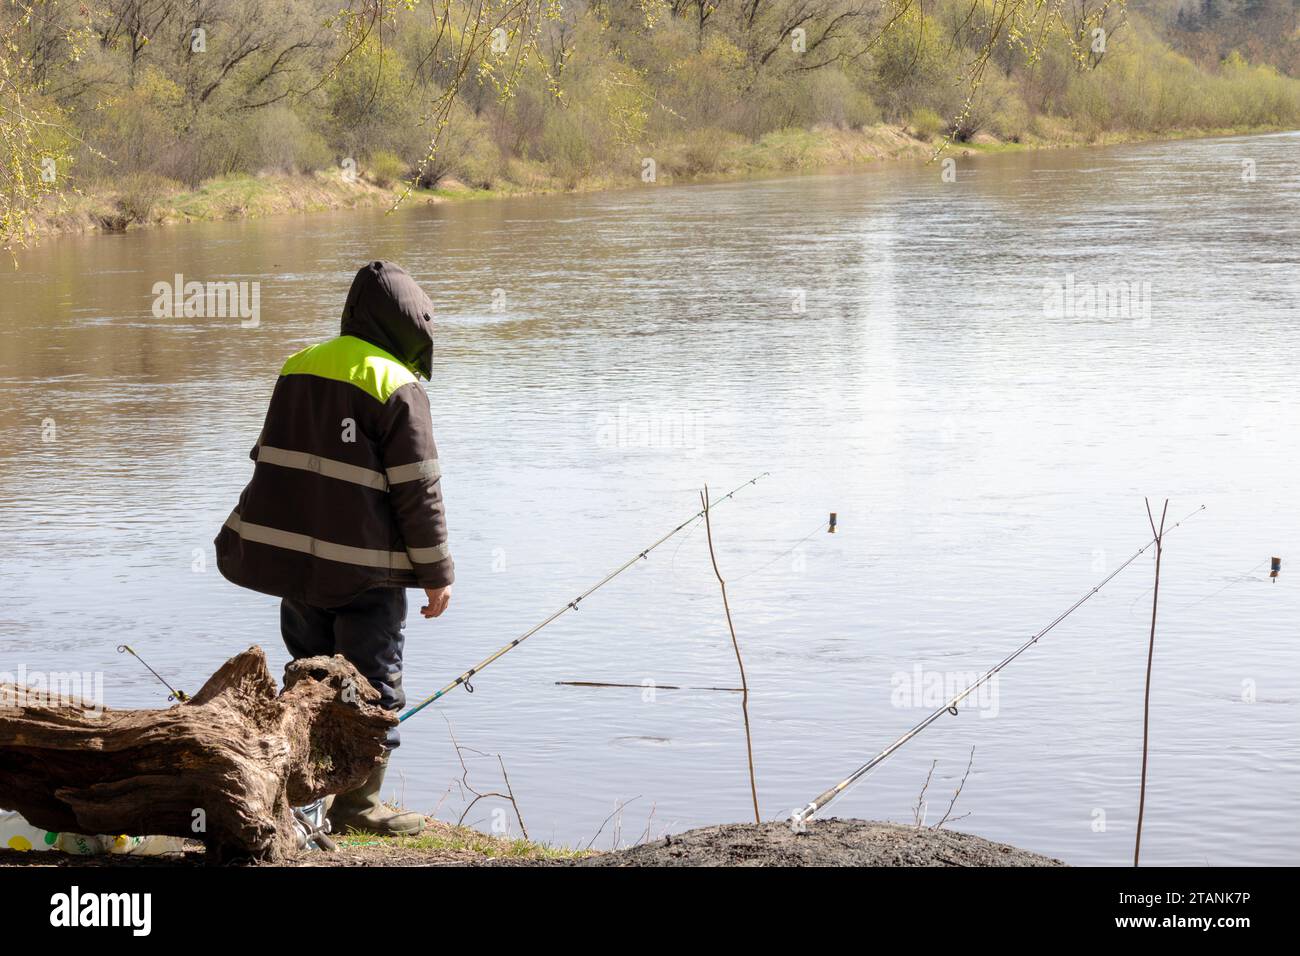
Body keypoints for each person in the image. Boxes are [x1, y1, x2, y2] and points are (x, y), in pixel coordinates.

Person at [215, 260, 453, 836]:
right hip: (369, 578)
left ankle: (301, 803)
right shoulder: (395, 383)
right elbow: (417, 487)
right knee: (369, 686)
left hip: (299, 569)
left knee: (308, 679)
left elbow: (272, 461)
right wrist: (437, 572)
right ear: (408, 327)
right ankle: (357, 806)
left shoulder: (299, 365)